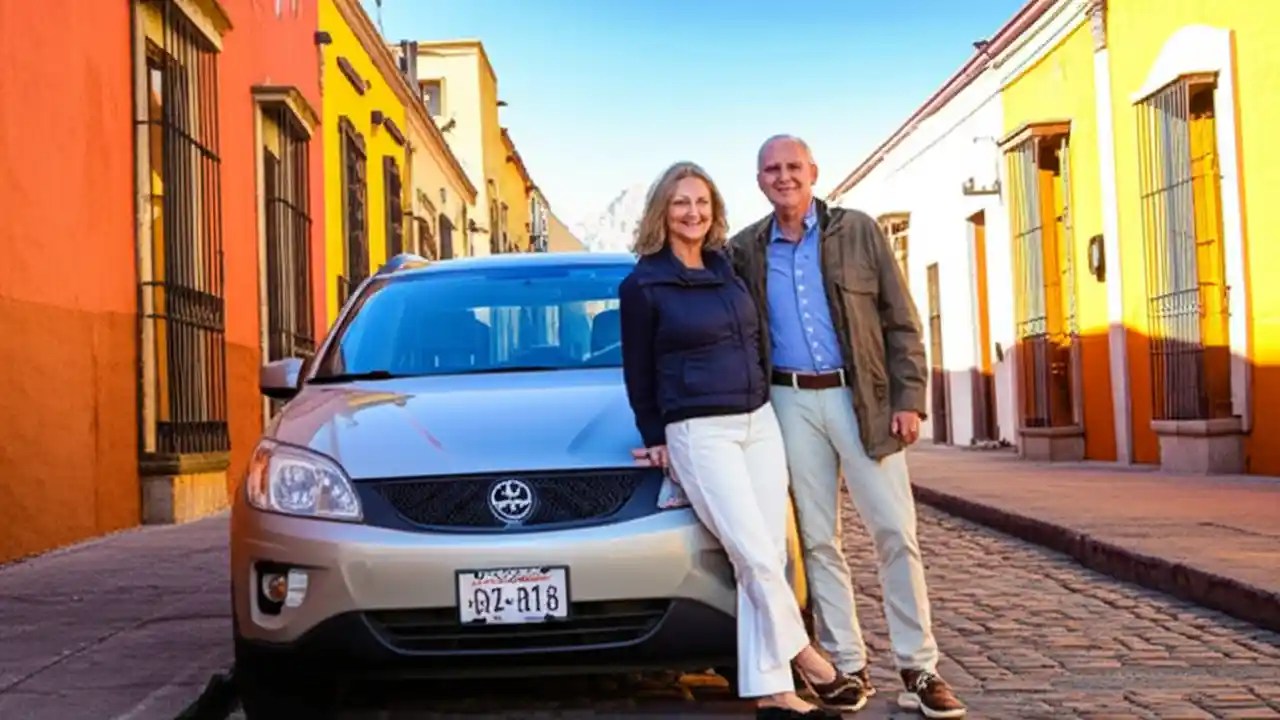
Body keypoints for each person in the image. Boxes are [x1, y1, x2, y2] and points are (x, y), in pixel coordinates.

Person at [726, 135, 967, 719]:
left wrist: (909, 399)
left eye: (793, 167)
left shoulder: (857, 230)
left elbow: (901, 321)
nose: (783, 177)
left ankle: (919, 667)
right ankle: (846, 665)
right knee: (817, 540)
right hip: (789, 402)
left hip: (863, 399)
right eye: (771, 169)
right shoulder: (745, 250)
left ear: (813, 171)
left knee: (894, 533)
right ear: (759, 180)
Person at [619, 161, 865, 719]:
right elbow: (638, 370)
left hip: (758, 421)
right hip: (699, 430)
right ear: (662, 209)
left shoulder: (725, 269)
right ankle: (808, 659)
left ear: (715, 210)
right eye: (681, 202)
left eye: (702, 202)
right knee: (750, 553)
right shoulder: (641, 284)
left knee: (770, 555)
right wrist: (654, 434)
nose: (693, 212)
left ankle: (770, 690)